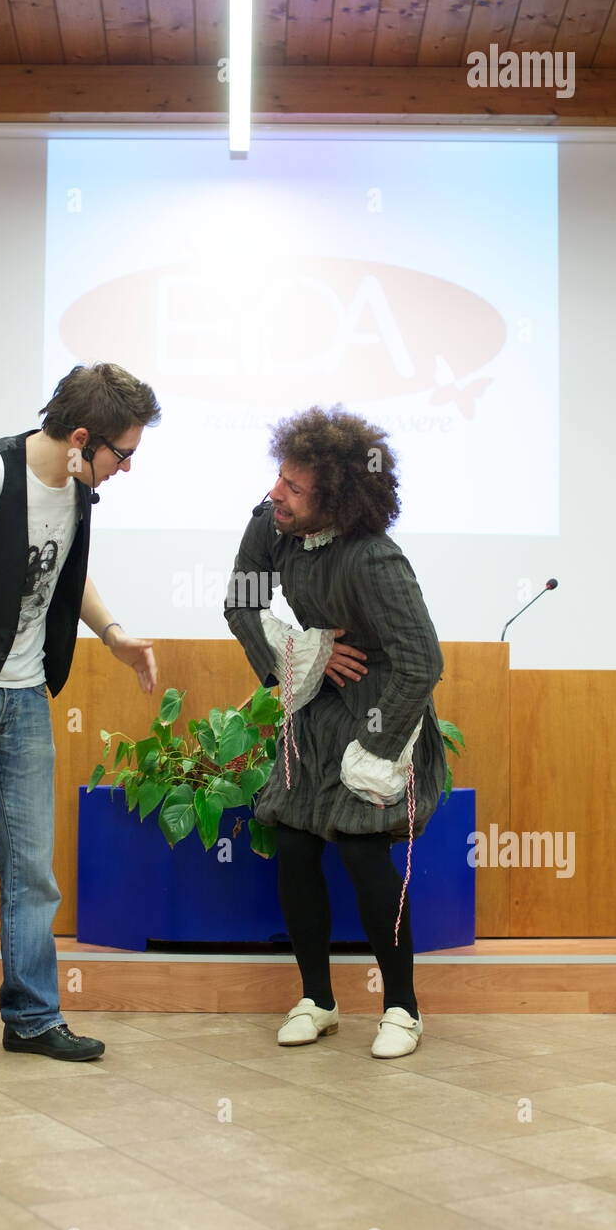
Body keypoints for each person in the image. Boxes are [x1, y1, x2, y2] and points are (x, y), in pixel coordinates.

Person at [0, 362, 160, 1072]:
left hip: (25, 697)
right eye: (123, 454)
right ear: (82, 438)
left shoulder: (77, 486)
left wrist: (113, 633)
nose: (125, 469)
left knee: (31, 873)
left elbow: (60, 571)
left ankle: (33, 1017)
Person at [224, 406, 447, 1058]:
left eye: (293, 487)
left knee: (360, 850)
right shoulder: (272, 525)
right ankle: (317, 999)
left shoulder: (375, 560)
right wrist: (307, 650)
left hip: (382, 712)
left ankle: (403, 1009)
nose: (275, 494)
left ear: (335, 498)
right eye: (279, 478)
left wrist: (378, 753)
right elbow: (243, 600)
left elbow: (422, 662)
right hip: (317, 698)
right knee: (293, 843)